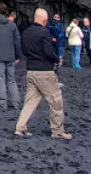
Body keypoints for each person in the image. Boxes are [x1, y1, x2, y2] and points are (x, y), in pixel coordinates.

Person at [14, 9, 71, 140]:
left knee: (30, 101)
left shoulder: (26, 32)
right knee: (55, 100)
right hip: (44, 72)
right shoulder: (45, 33)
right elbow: (48, 52)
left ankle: (20, 127)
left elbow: (23, 50)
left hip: (31, 71)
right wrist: (57, 59)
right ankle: (57, 131)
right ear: (44, 20)